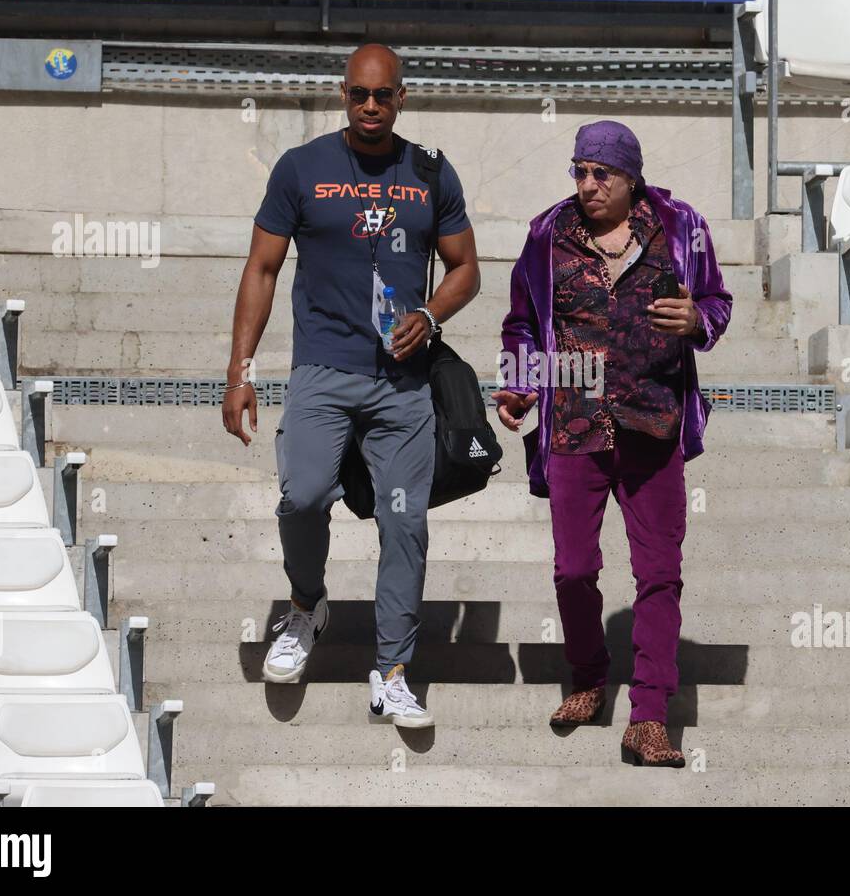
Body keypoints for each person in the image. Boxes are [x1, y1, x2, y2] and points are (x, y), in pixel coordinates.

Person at [222, 44, 479, 728]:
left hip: (402, 386)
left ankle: (391, 670)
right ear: (343, 94)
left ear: (402, 97)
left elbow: (465, 269)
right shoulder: (302, 168)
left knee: (404, 522)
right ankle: (307, 605)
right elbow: (262, 270)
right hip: (323, 373)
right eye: (360, 95)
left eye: (384, 95)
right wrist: (240, 372)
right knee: (301, 495)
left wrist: (429, 314)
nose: (371, 106)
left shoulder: (429, 172)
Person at [496, 120, 732, 765]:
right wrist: (519, 383)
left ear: (632, 178)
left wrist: (699, 321)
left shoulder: (682, 226)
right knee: (574, 569)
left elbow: (717, 300)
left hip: (654, 423)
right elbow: (521, 320)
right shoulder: (548, 234)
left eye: (602, 174)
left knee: (659, 575)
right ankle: (589, 676)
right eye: (580, 171)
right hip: (574, 423)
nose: (589, 185)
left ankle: (651, 714)